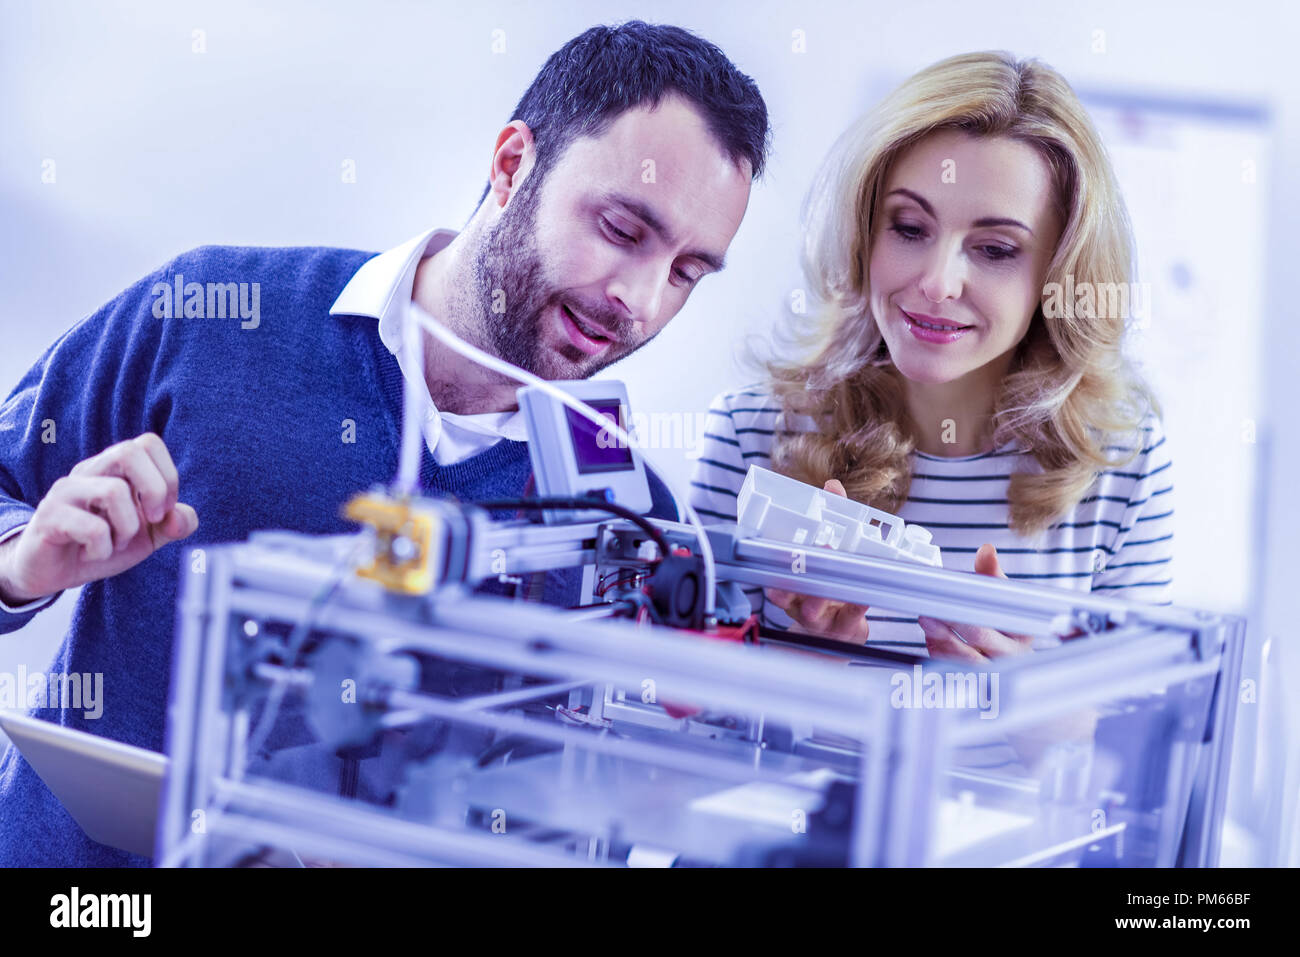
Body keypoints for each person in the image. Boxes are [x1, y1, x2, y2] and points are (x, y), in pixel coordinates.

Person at [0, 21, 769, 866]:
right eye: (622, 230)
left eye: (687, 272)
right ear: (512, 165)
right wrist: (19, 564)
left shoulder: (633, 526)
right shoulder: (212, 315)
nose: (642, 301)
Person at [691, 51, 1173, 661]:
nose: (938, 283)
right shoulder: (748, 435)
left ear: (1059, 273)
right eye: (910, 228)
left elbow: (1139, 722)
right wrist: (808, 666)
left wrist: (1032, 700)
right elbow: (673, 705)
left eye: (995, 249)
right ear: (865, 233)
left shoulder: (1123, 463)